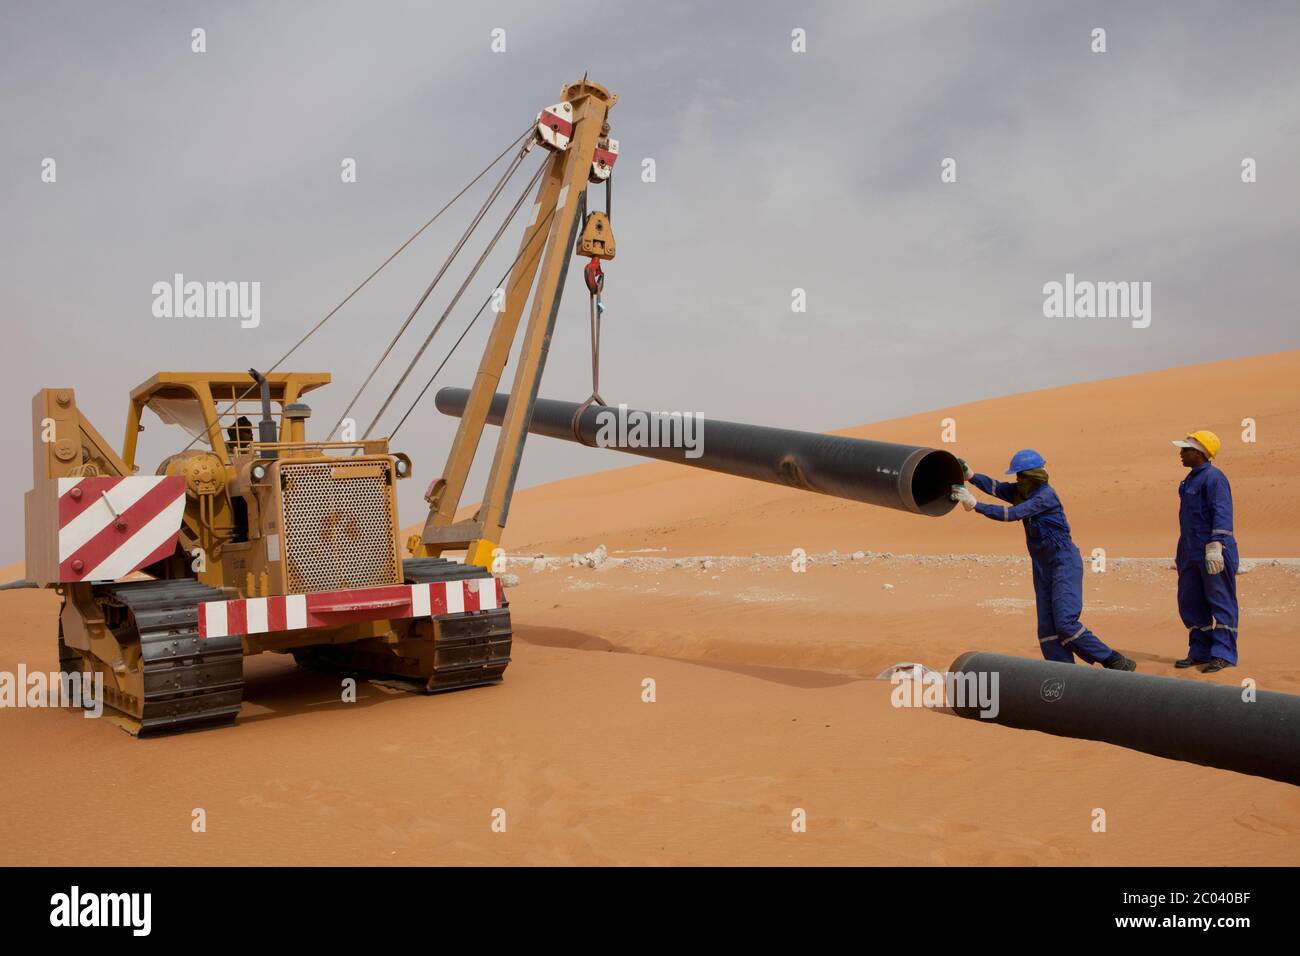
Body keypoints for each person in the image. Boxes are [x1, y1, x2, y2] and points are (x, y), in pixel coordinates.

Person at [951, 449, 1136, 671]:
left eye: (1021, 476)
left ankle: (1113, 660)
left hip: (1063, 562)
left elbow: (1013, 514)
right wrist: (971, 476)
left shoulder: (1044, 496)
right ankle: (1064, 673)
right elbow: (997, 488)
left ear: (1032, 475)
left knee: (1065, 623)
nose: (1017, 480)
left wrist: (975, 505)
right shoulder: (1024, 491)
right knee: (1048, 631)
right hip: (1042, 566)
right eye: (1016, 476)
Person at [1171, 430, 1238, 673]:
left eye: (1185, 449)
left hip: (1212, 550)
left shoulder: (1214, 478)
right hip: (1190, 551)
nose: (1180, 453)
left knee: (1220, 602)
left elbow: (1222, 512)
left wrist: (1216, 545)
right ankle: (1200, 651)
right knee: (1190, 601)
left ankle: (1223, 654)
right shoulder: (1189, 479)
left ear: (1199, 453)